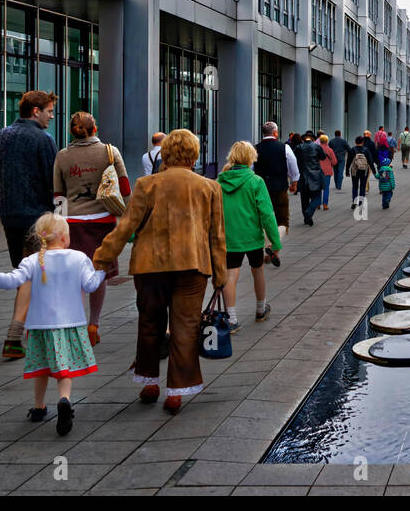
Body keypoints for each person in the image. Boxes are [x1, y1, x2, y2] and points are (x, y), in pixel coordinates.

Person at [93, 128, 227, 414]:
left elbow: (126, 227)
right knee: (186, 328)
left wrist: (102, 258)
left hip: (150, 266)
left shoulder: (146, 184)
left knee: (150, 324)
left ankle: (150, 382)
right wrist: (220, 275)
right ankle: (176, 392)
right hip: (193, 267)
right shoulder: (209, 187)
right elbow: (217, 236)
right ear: (194, 154)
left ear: (164, 153)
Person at [0, 213, 104, 434]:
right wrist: (102, 270)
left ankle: (39, 406)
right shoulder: (79, 258)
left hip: (39, 327)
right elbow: (91, 285)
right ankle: (64, 400)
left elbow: (11, 281)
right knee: (63, 370)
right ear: (65, 238)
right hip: (69, 324)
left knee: (41, 368)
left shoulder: (31, 261)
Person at [0, 90, 58, 359]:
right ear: (36, 111)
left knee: (22, 271)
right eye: (49, 111)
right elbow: (53, 182)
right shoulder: (43, 139)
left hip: (9, 216)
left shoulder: (1, 136)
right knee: (37, 275)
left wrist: (9, 199)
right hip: (38, 217)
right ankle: (18, 335)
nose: (51, 116)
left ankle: (28, 331)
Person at [52, 111, 130, 346]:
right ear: (94, 129)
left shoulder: (62, 156)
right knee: (99, 274)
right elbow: (125, 188)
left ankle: (74, 323)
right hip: (103, 222)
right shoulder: (110, 152)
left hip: (72, 223)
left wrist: (59, 226)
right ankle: (93, 323)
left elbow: (58, 196)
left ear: (71, 132)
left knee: (74, 276)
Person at [217, 141, 281, 331]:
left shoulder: (220, 182)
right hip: (252, 236)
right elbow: (267, 214)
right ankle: (261, 309)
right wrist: (275, 242)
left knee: (231, 274)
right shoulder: (256, 181)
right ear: (250, 158)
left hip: (229, 237)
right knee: (258, 269)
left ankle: (232, 318)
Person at [255, 123, 299, 263]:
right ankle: (274, 247)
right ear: (275, 133)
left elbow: (251, 168)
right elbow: (293, 164)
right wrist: (294, 182)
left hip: (260, 190)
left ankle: (265, 245)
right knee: (282, 219)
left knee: (263, 219)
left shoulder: (255, 149)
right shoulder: (284, 147)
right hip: (279, 188)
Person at [292, 131, 326, 226]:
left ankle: (307, 218)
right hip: (315, 176)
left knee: (304, 199)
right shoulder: (317, 147)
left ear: (304, 138)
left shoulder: (299, 147)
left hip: (303, 176)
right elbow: (323, 157)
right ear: (312, 138)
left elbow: (294, 158)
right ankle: (309, 213)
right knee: (317, 198)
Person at [348, 136, 373, 206]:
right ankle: (361, 202)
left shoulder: (352, 150)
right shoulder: (366, 150)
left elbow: (348, 161)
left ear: (355, 142)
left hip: (354, 170)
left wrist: (347, 171)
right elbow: (370, 161)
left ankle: (354, 201)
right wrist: (374, 171)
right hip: (364, 170)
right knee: (363, 186)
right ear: (362, 142)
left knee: (355, 186)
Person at [317, 134, 338, 210]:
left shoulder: (316, 149)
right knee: (326, 188)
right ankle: (325, 204)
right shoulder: (330, 150)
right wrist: (330, 164)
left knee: (318, 188)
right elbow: (335, 162)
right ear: (327, 141)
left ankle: (318, 204)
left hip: (317, 171)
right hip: (327, 171)